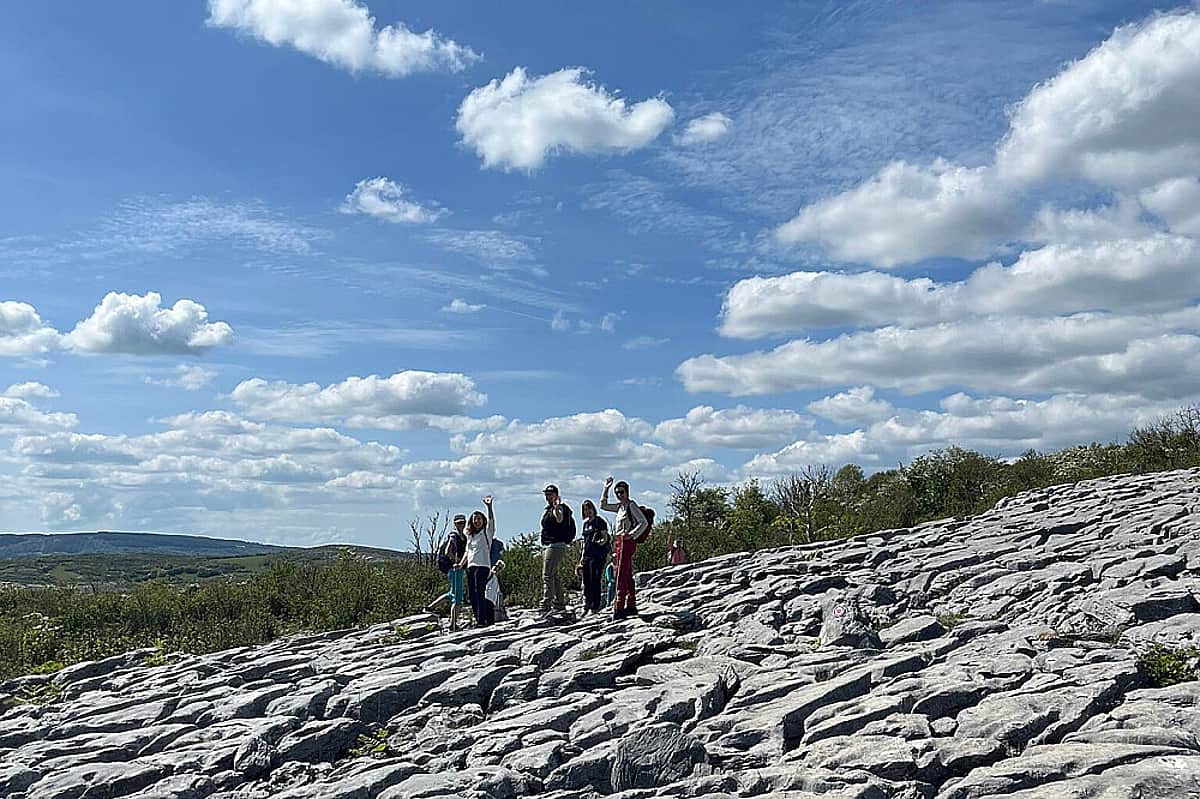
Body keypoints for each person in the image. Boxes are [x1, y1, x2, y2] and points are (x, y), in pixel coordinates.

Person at [600, 477, 648, 620]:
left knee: (620, 573)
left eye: (622, 492)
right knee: (626, 573)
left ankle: (619, 606)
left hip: (626, 541)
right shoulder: (619, 507)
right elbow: (603, 506)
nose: (619, 495)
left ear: (627, 492)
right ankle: (631, 604)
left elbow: (643, 522)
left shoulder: (631, 506)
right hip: (619, 540)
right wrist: (606, 489)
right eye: (617, 493)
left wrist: (632, 535)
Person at [539, 484, 576, 616]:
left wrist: (556, 507)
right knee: (553, 575)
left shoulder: (560, 508)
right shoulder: (549, 509)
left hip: (555, 545)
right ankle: (559, 602)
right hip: (551, 545)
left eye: (550, 494)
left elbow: (559, 519)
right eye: (546, 494)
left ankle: (546, 602)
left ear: (556, 494)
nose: (547, 496)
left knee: (547, 574)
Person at [459, 496, 496, 627]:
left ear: (482, 520)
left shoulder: (487, 532)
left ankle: (482, 621)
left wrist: (489, 507)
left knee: (480, 592)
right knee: (472, 595)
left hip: (483, 566)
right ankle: (480, 617)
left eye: (479, 519)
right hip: (471, 566)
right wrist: (461, 564)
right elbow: (467, 551)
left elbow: (491, 521)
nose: (476, 521)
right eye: (474, 519)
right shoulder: (470, 535)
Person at [576, 499, 610, 614]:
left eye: (589, 508)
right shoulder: (586, 524)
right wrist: (581, 558)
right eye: (585, 509)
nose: (588, 511)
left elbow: (605, 536)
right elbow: (584, 542)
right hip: (587, 554)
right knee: (586, 580)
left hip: (597, 554)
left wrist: (601, 542)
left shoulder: (599, 521)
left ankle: (595, 605)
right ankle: (587, 603)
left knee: (595, 579)